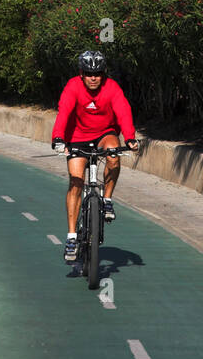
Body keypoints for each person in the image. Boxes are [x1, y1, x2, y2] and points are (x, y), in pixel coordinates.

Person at [51, 49, 138, 264]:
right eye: (89, 73)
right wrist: (58, 138)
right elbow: (64, 111)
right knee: (76, 181)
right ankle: (72, 237)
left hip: (104, 133)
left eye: (98, 73)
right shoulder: (73, 86)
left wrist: (130, 137)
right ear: (81, 73)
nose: (93, 78)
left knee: (113, 154)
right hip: (77, 136)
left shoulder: (112, 88)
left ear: (103, 73)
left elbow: (123, 111)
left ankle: (107, 199)